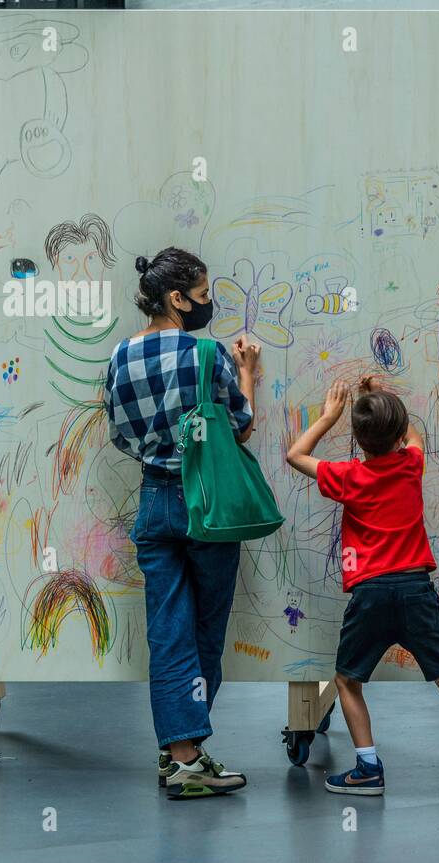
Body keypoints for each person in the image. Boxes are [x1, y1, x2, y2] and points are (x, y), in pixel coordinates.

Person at [285, 377, 439, 795]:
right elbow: (414, 437)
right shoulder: (410, 464)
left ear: (359, 441)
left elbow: (295, 454)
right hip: (416, 589)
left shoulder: (347, 476)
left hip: (370, 593)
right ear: (398, 436)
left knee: (347, 681)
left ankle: (367, 769)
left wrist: (329, 417)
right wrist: (382, 393)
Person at [104, 246, 261, 800]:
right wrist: (247, 373)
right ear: (176, 299)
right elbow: (240, 428)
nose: (207, 304)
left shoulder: (121, 356)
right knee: (204, 632)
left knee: (167, 632)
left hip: (154, 501)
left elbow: (120, 435)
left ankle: (180, 752)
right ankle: (186, 758)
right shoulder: (206, 353)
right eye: (201, 295)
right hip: (206, 505)